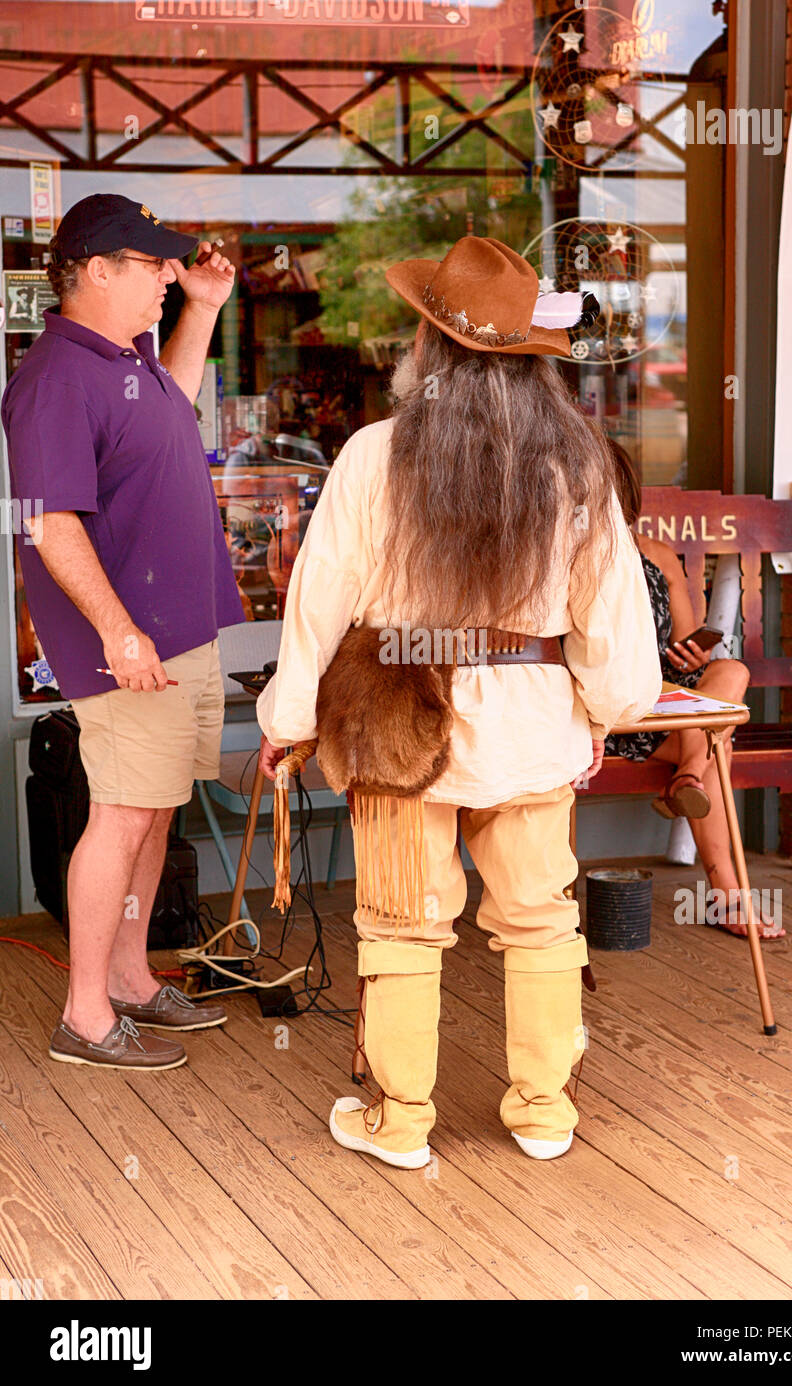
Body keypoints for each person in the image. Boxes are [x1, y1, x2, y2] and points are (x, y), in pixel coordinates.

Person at [257, 235, 661, 1167]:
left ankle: (400, 1125)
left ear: (429, 350)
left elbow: (316, 607)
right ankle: (544, 1113)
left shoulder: (370, 457)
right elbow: (615, 626)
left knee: (401, 922)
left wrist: (289, 725)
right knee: (542, 919)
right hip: (530, 725)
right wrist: (600, 715)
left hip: (395, 722)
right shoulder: (581, 466)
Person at [2, 194, 245, 1069]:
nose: (168, 277)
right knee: (120, 815)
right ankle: (85, 1015)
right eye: (153, 266)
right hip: (131, 644)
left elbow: (170, 407)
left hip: (181, 630)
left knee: (155, 812)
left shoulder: (126, 355)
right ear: (95, 272)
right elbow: (48, 522)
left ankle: (133, 978)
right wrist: (118, 630)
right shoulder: (54, 379)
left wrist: (203, 310)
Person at [604, 439, 784, 940]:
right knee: (717, 743)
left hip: (672, 697)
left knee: (732, 674)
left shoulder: (658, 555)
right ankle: (727, 896)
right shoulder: (576, 563)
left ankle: (686, 777)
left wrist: (693, 655)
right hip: (622, 702)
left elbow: (689, 639)